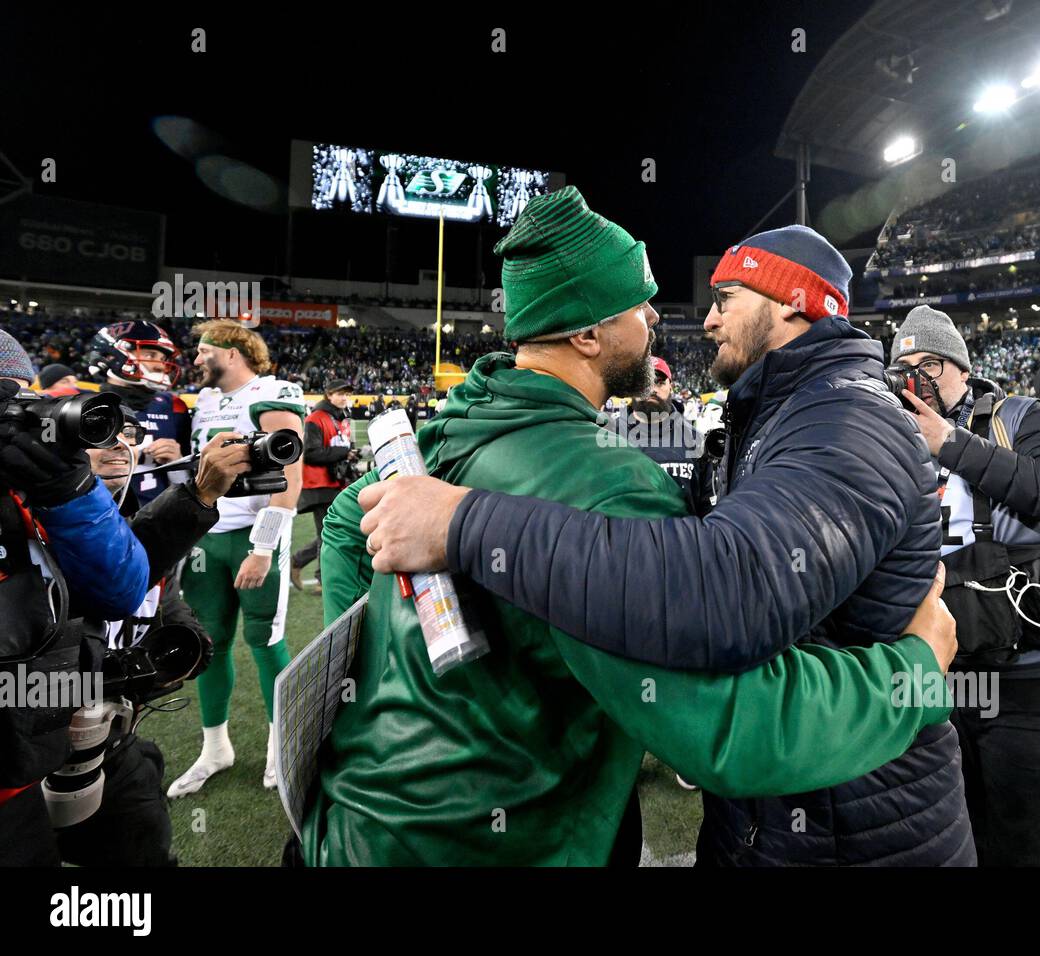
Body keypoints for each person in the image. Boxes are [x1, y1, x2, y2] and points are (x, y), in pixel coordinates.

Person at [304, 188, 958, 866]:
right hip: (494, 841)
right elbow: (726, 726)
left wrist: (365, 685)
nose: (662, 318)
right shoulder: (607, 483)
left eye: (720, 300)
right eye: (639, 305)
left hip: (354, 818)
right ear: (588, 334)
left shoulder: (450, 430)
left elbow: (348, 524)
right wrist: (911, 671)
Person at [889, 305, 1040, 867]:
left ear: (961, 366)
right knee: (947, 839)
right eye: (903, 366)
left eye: (931, 362)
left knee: (1027, 842)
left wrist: (951, 444)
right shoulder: (887, 437)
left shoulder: (1018, 416)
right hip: (932, 673)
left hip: (1027, 672)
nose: (917, 377)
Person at [53, 415, 252, 866]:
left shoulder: (122, 524)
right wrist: (198, 496)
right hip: (34, 761)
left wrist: (176, 651)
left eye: (127, 436)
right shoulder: (27, 530)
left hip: (115, 748)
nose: (120, 446)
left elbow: (166, 608)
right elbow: (101, 584)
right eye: (98, 436)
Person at [0, 329, 151, 865]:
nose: (13, 418)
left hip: (17, 782)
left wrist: (72, 494)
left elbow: (122, 590)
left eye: (20, 400)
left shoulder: (33, 486)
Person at [168, 320, 305, 798]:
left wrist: (263, 547)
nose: (197, 358)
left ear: (232, 353)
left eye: (205, 350)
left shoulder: (273, 392)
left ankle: (280, 747)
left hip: (252, 533)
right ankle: (215, 749)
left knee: (265, 640)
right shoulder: (203, 402)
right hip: (207, 534)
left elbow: (290, 479)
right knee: (210, 643)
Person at [86, 320, 192, 507]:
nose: (160, 366)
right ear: (113, 356)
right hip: (100, 517)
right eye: (150, 354)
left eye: (161, 359)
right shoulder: (82, 407)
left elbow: (187, 483)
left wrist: (177, 462)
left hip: (158, 518)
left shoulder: (173, 406)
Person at [603, 356, 708, 503]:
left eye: (659, 383)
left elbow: (707, 505)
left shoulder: (696, 439)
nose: (652, 390)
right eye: (644, 383)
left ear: (670, 387)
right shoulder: (609, 436)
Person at [291, 379, 358, 594]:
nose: (344, 398)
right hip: (319, 485)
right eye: (340, 394)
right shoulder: (315, 419)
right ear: (328, 395)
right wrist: (343, 453)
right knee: (327, 533)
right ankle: (321, 580)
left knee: (332, 531)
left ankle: (298, 561)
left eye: (347, 394)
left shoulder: (341, 418)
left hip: (336, 483)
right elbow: (310, 453)